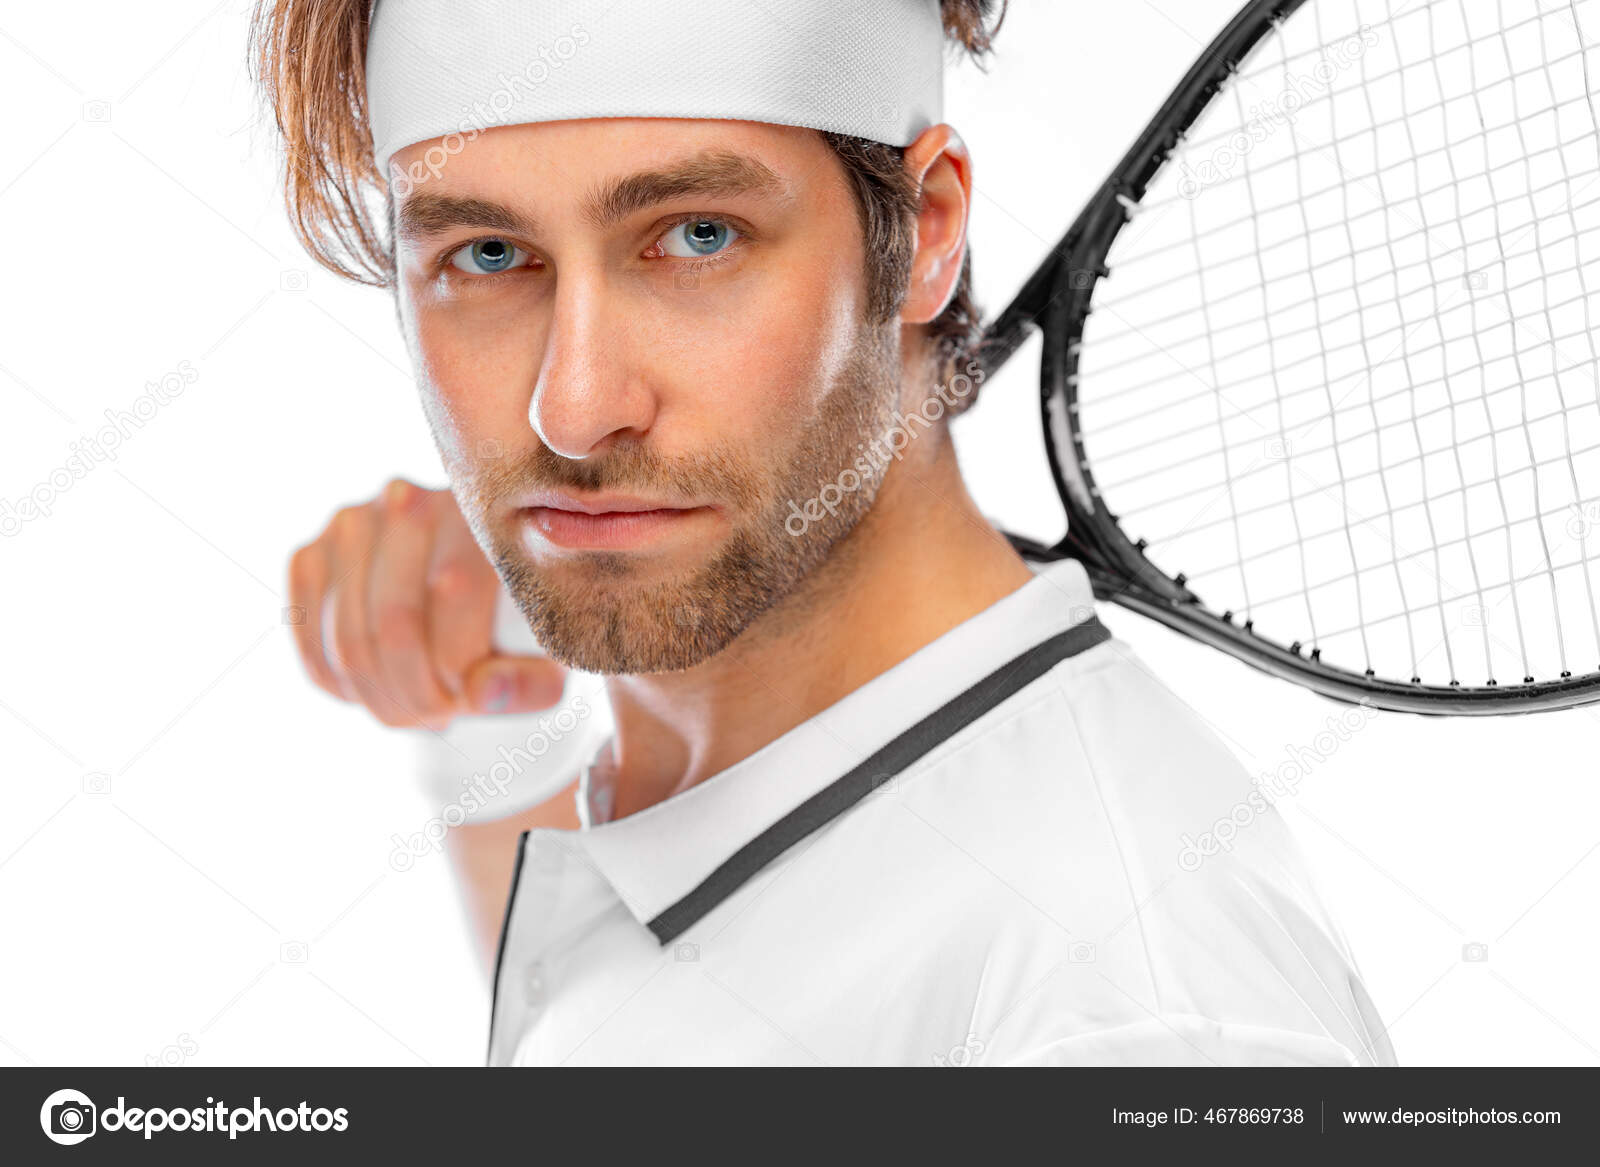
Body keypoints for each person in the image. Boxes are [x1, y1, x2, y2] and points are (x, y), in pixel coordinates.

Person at [256, 0, 1396, 1066]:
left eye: (698, 235)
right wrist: (488, 730)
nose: (574, 408)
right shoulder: (731, 794)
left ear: (924, 230)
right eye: (488, 255)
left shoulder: (1128, 1012)